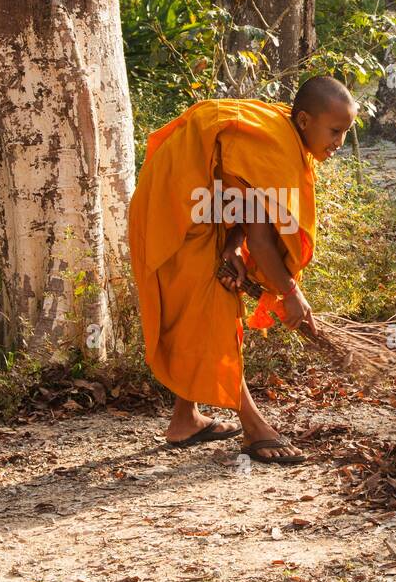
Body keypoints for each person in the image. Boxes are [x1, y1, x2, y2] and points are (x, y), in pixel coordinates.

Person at [128, 78, 356, 465]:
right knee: (216, 309)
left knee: (208, 310)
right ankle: (253, 426)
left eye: (345, 134)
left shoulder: (281, 134)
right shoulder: (277, 149)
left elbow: (242, 196)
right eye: (334, 132)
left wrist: (233, 245)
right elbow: (264, 241)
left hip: (202, 208)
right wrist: (290, 293)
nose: (338, 143)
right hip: (175, 216)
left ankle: (185, 420)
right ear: (303, 120)